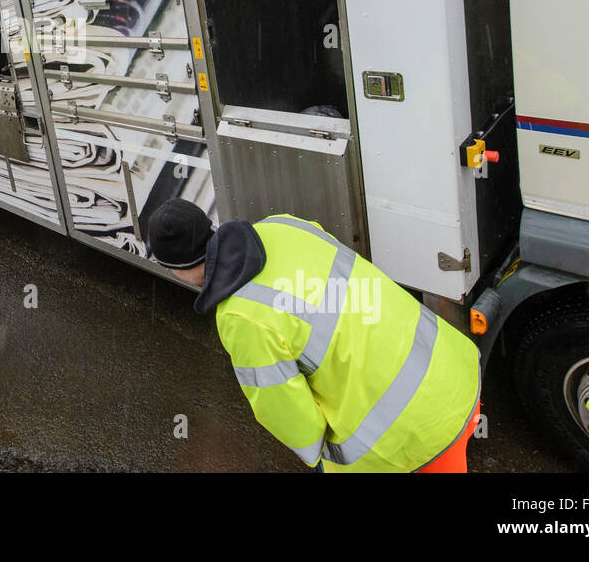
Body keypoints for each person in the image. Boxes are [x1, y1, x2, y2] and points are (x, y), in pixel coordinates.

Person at [147, 199, 481, 472]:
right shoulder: (280, 226)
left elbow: (287, 413)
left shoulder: (240, 316)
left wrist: (319, 461)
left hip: (417, 436)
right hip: (454, 374)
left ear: (176, 267)